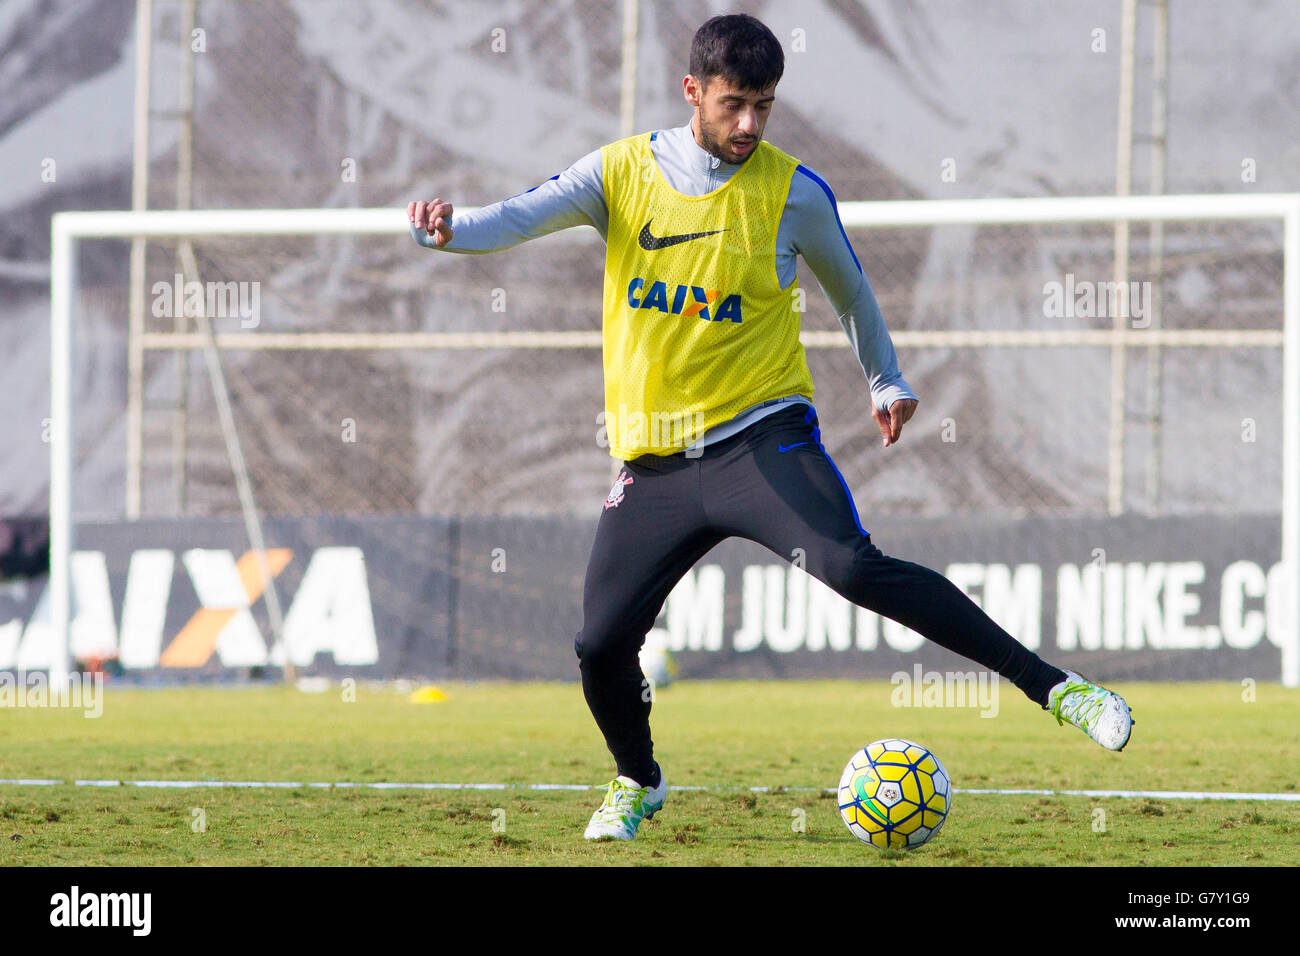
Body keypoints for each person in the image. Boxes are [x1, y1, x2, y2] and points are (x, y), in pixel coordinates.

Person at [408, 13, 1133, 842]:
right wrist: (450, 231)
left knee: (854, 570)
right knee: (600, 646)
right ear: (693, 93)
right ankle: (637, 781)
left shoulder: (795, 192)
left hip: (762, 439)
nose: (749, 124)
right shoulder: (618, 173)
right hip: (656, 466)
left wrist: (886, 379)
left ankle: (1062, 690)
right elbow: (516, 216)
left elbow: (852, 292)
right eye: (732, 104)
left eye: (764, 105)